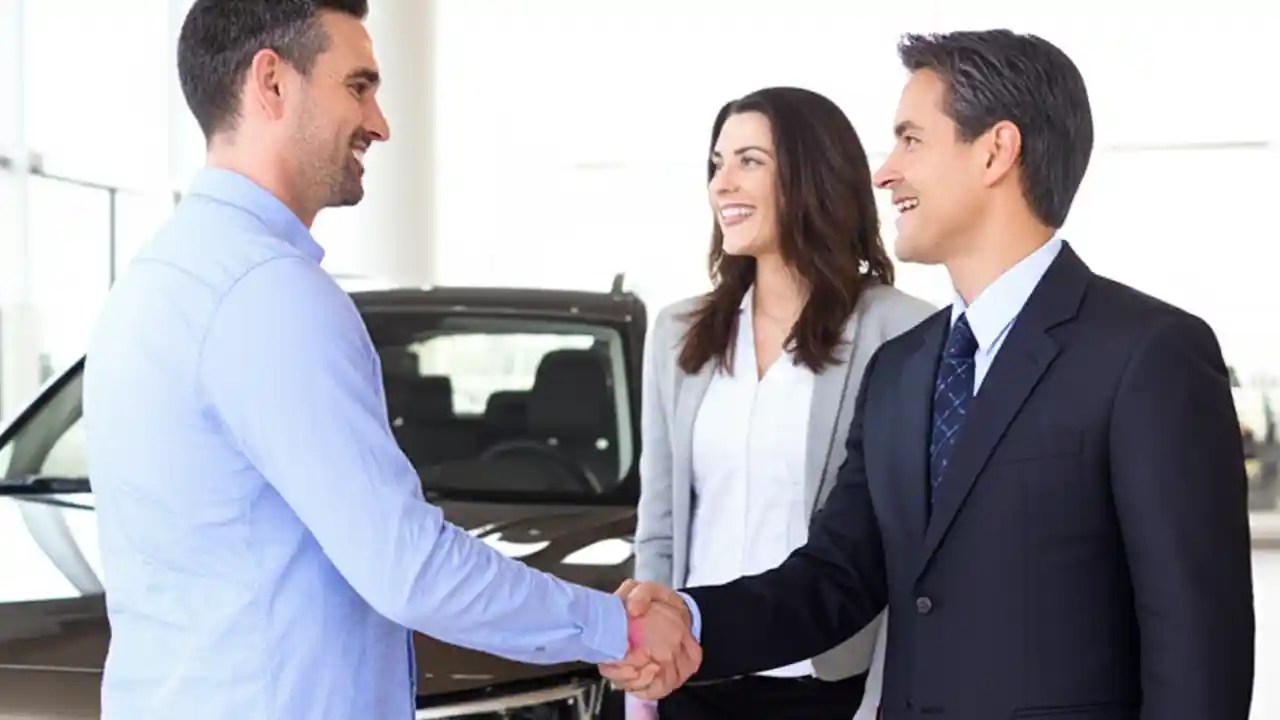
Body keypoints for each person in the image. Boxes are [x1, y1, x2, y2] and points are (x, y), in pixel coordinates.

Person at [604, 28, 1256, 719]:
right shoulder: (902, 368)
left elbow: (1196, 647)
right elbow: (834, 580)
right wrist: (692, 619)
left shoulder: (1148, 354)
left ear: (996, 151)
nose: (885, 172)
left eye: (910, 140)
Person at [82, 2, 692, 718]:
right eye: (358, 86)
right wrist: (616, 625)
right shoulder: (268, 293)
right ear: (272, 83)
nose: (380, 122)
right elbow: (409, 568)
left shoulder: (157, 278)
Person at [628, 86, 933, 720]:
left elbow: (906, 554)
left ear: (812, 174)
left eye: (749, 161)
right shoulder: (680, 330)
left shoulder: (901, 332)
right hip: (695, 674)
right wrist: (644, 680)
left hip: (827, 689)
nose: (722, 184)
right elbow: (659, 522)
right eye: (716, 163)